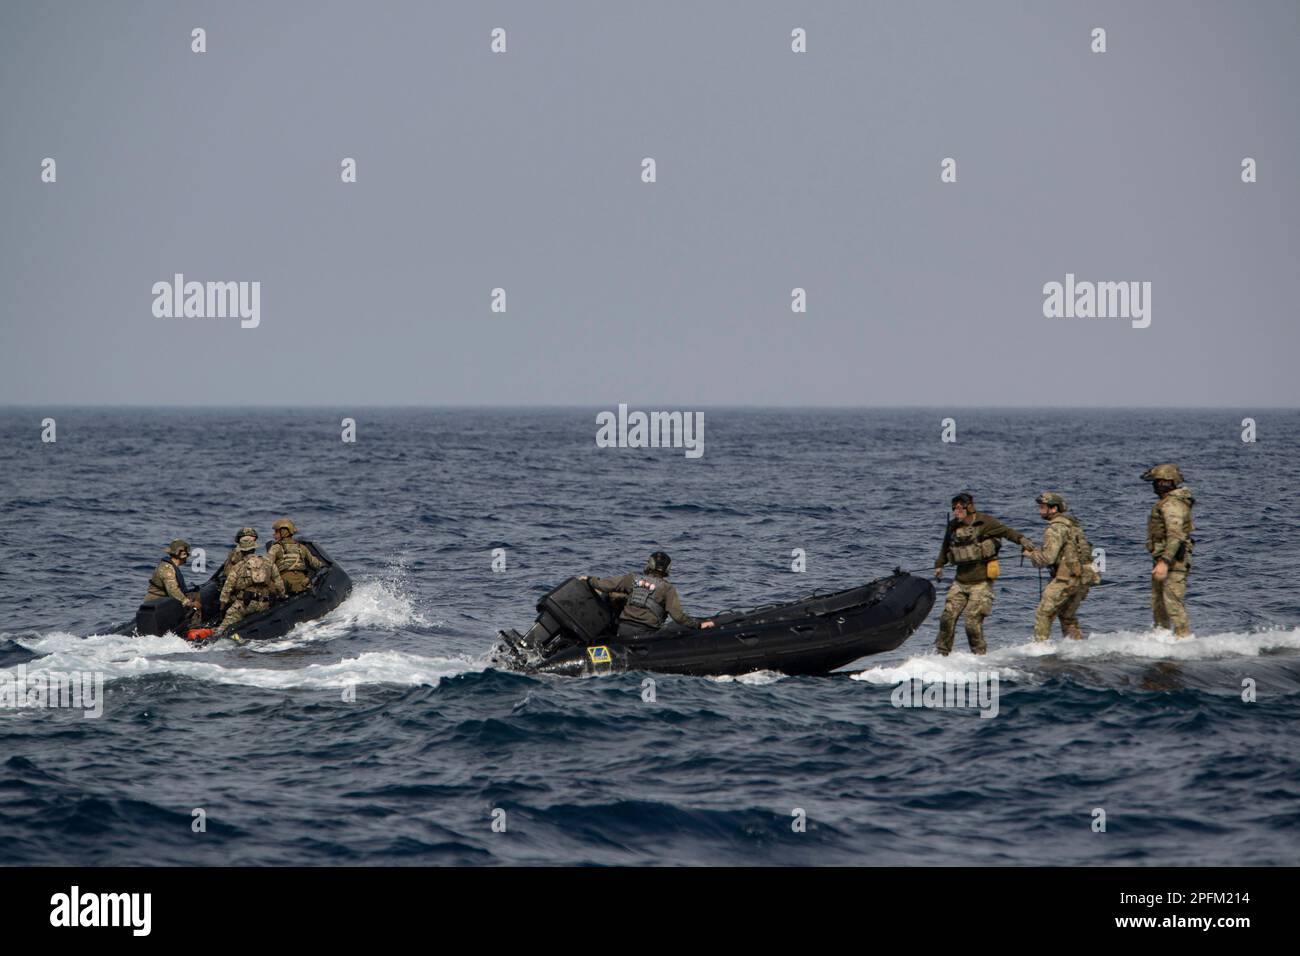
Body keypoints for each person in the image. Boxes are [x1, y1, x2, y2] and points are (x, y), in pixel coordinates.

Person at [933, 492, 1034, 655]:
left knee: (972, 622)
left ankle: (979, 655)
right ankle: (942, 654)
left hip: (981, 584)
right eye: (954, 508)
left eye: (960, 507)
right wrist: (939, 566)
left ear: (969, 508)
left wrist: (1023, 541)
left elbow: (1007, 532)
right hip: (960, 582)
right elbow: (945, 547)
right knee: (947, 618)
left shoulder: (986, 522)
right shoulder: (952, 526)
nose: (956, 511)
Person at [581, 551, 715, 639]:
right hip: (645, 634)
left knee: (615, 597)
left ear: (649, 564)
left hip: (623, 631)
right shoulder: (668, 589)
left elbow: (605, 584)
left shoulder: (632, 579)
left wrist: (589, 579)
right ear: (668, 569)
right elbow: (678, 616)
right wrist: (698, 625)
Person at [1022, 492, 1099, 642]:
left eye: (1043, 507)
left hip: (1067, 578)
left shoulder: (1055, 528)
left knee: (1044, 613)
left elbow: (1048, 558)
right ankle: (1076, 649)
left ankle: (1039, 649)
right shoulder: (1071, 524)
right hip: (1084, 577)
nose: (1040, 510)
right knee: (1067, 616)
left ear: (1053, 509)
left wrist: (1030, 554)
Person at [1142, 463, 1195, 636]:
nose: (1154, 485)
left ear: (1164, 482)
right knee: (1159, 605)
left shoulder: (1172, 504)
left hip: (1172, 563)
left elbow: (1175, 535)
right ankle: (1163, 640)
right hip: (1163, 561)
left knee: (1173, 605)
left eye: (1156, 481)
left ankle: (1184, 640)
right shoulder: (1167, 503)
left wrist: (1165, 561)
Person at [217, 548, 286, 634]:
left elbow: (227, 590)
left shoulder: (238, 567)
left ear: (242, 552)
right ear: (253, 549)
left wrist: (222, 609)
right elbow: (279, 585)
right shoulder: (269, 563)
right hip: (264, 604)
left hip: (244, 604)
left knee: (223, 627)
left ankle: (215, 638)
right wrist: (282, 596)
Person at [144, 538, 202, 631]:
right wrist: (189, 603)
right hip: (157, 602)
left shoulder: (171, 567)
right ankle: (191, 630)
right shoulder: (167, 569)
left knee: (195, 595)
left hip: (164, 601)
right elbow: (173, 590)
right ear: (182, 554)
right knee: (193, 603)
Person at [266, 518, 325, 595]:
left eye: (276, 531)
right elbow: (316, 564)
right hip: (302, 584)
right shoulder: (302, 547)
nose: (274, 534)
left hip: (286, 585)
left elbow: (267, 565)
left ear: (284, 532)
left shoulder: (276, 548)